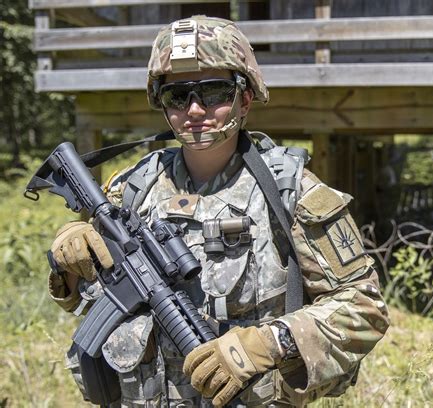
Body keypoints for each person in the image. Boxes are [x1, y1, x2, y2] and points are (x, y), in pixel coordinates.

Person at [48, 15, 389, 407]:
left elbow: (365, 306)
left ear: (244, 98)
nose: (194, 110)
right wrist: (67, 255)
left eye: (214, 92)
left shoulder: (290, 191)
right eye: (178, 96)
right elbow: (77, 296)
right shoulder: (131, 189)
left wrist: (268, 343)